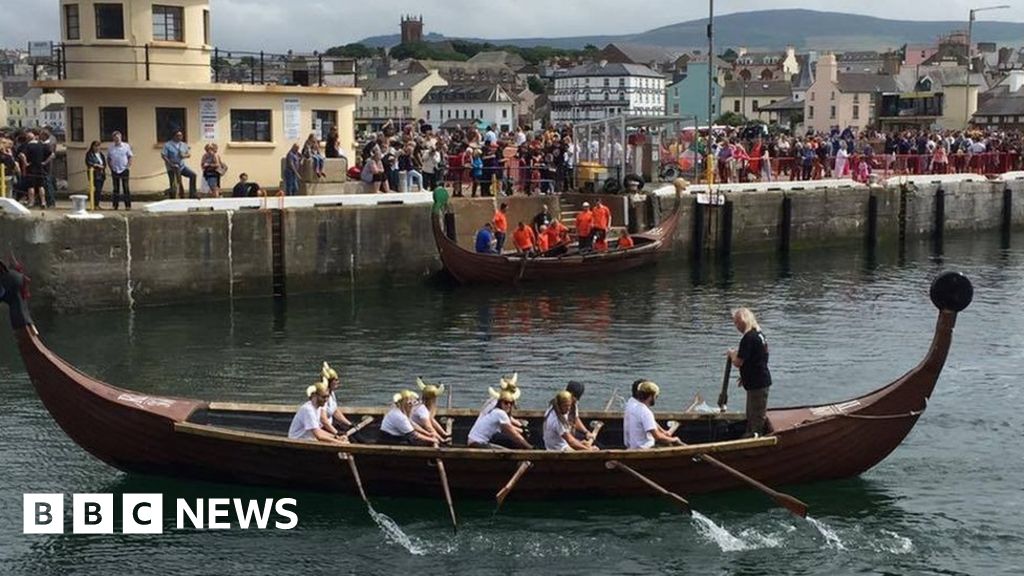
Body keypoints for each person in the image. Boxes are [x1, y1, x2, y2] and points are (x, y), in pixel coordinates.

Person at [727, 307, 773, 437]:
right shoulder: (759, 335)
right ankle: (750, 433)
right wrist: (745, 376)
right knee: (752, 413)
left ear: (743, 321)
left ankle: (755, 436)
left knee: (756, 415)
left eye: (737, 323)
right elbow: (759, 359)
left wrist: (731, 354)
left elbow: (738, 362)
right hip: (758, 379)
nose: (736, 327)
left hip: (758, 383)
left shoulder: (748, 338)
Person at [623, 380, 683, 449]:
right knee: (669, 444)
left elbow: (649, 422)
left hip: (632, 446)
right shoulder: (645, 412)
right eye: (656, 396)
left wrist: (663, 431)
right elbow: (658, 437)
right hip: (644, 449)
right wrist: (675, 439)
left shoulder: (631, 405)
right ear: (651, 396)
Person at [288, 380, 348, 444]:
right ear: (315, 396)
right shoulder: (308, 410)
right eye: (323, 397)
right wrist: (339, 442)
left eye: (327, 397)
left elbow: (318, 430)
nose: (326, 400)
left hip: (308, 440)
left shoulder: (318, 408)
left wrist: (336, 437)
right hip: (298, 442)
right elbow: (319, 436)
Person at [468, 390, 532, 449]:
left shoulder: (495, 410)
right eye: (506, 403)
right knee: (507, 453)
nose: (509, 405)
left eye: (511, 403)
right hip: (477, 443)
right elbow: (513, 434)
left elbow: (508, 427)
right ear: (500, 403)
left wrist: (522, 428)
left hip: (474, 441)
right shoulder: (500, 413)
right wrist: (529, 447)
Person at [18, 130, 51, 209]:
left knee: (31, 187)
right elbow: (52, 154)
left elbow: (22, 155)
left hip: (31, 168)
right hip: (40, 168)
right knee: (41, 186)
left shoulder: (28, 146)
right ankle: (43, 202)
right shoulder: (41, 145)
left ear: (28, 139)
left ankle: (31, 202)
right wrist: (45, 162)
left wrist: (25, 163)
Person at [413, 378, 451, 443]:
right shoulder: (423, 410)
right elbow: (429, 428)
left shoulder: (418, 403)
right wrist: (441, 439)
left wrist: (444, 433)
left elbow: (431, 419)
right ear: (432, 400)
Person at [320, 362, 354, 435]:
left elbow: (335, 411)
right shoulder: (323, 397)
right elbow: (323, 419)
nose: (338, 382)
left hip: (330, 425)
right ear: (329, 382)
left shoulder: (332, 393)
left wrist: (349, 424)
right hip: (322, 428)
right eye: (335, 380)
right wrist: (336, 433)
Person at [161, 130, 197, 199]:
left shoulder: (183, 144)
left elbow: (188, 154)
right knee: (174, 184)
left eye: (181, 135)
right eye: (178, 135)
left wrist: (184, 155)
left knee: (193, 175)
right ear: (174, 136)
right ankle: (172, 197)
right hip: (172, 168)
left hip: (181, 167)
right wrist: (171, 164)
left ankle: (193, 194)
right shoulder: (167, 145)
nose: (180, 137)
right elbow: (163, 155)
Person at [106, 131, 133, 210]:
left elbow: (130, 157)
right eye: (115, 138)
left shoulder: (126, 146)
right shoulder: (111, 147)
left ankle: (127, 205)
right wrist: (111, 167)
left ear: (120, 137)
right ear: (113, 138)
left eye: (118, 137)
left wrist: (128, 166)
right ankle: (115, 205)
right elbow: (108, 158)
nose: (116, 139)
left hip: (124, 169)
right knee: (115, 188)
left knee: (126, 188)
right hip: (115, 170)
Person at [85, 140, 106, 210]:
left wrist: (103, 167)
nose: (97, 148)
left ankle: (97, 204)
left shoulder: (101, 154)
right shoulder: (89, 154)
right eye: (95, 146)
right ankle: (94, 204)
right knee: (96, 189)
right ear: (92, 147)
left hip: (101, 174)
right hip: (94, 175)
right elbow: (89, 163)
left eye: (98, 146)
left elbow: (104, 163)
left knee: (99, 190)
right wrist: (97, 165)